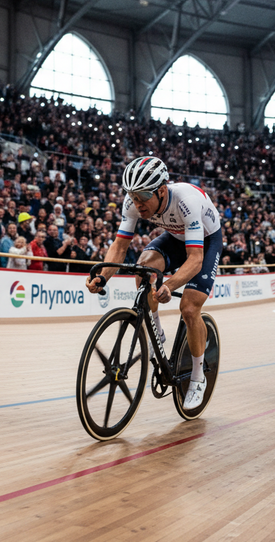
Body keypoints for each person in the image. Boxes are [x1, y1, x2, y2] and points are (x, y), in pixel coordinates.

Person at [86, 156, 223, 410]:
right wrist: (102, 276)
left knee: (189, 308)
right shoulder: (133, 202)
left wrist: (169, 286)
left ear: (161, 191)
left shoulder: (186, 201)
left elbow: (195, 259)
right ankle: (157, 332)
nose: (137, 204)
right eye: (133, 197)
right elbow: (120, 246)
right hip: (175, 237)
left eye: (142, 197)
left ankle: (197, 377)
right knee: (143, 270)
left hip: (206, 241)